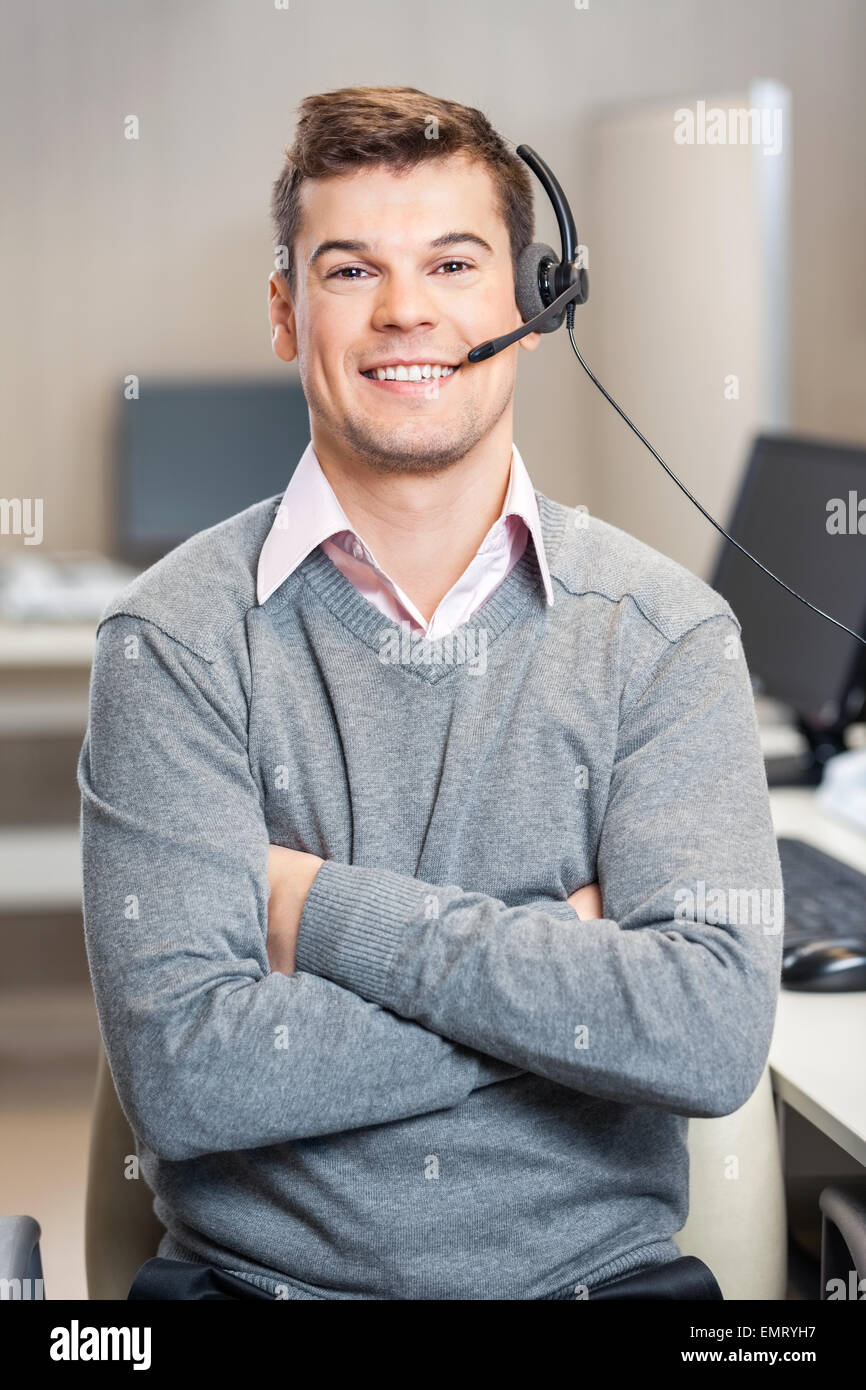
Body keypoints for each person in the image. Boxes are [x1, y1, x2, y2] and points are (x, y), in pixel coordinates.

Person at [79, 84, 781, 1301]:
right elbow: (191, 1077)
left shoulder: (666, 635)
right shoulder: (171, 644)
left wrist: (323, 916)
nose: (406, 310)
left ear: (529, 298)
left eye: (453, 262)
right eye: (350, 270)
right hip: (258, 1296)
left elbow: (706, 1035)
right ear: (286, 312)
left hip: (597, 1294)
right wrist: (561, 967)